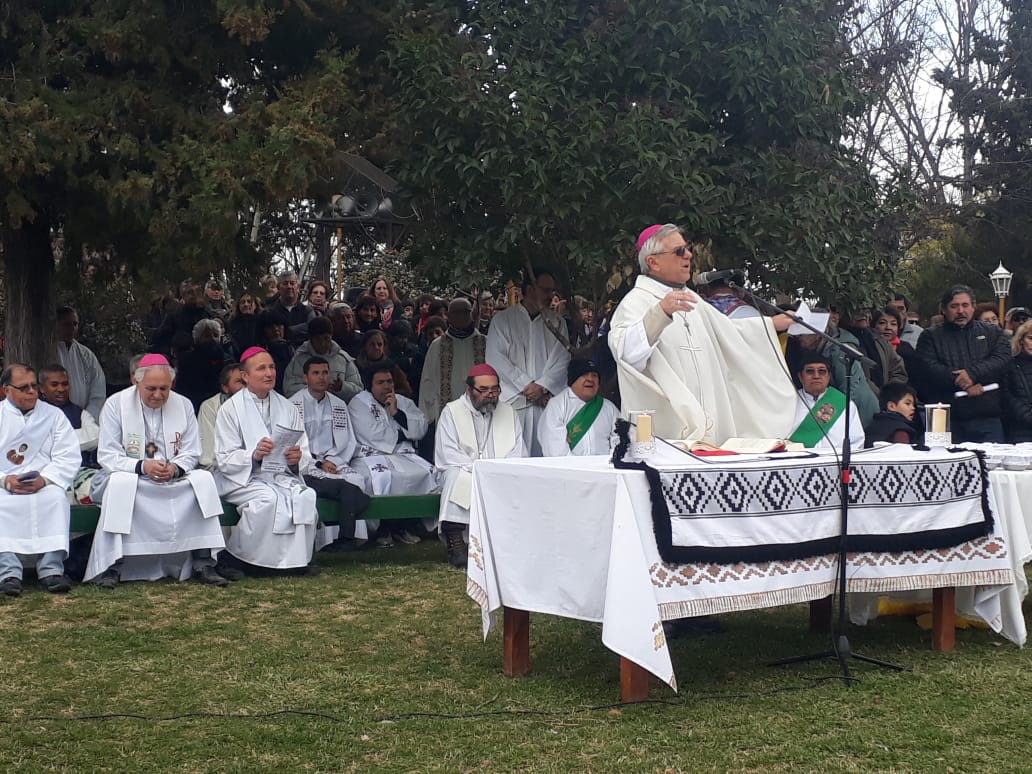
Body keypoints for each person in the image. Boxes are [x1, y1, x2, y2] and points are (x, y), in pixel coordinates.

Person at [608, 224, 797, 444]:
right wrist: (660, 314)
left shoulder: (693, 300)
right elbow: (626, 354)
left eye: (687, 249)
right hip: (664, 436)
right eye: (679, 251)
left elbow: (729, 333)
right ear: (653, 262)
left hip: (711, 432)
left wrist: (772, 324)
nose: (688, 255)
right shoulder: (636, 302)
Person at [85, 355, 229, 588]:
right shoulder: (115, 404)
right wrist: (142, 466)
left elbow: (192, 451)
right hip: (131, 475)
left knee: (203, 479)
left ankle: (203, 562)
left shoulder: (182, 404)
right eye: (151, 388)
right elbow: (107, 454)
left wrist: (175, 469)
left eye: (165, 388)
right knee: (121, 485)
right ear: (135, 381)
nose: (158, 395)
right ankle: (113, 565)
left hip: (170, 476)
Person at [214, 347, 319, 575]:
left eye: (271, 367)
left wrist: (295, 459)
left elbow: (303, 449)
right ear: (245, 375)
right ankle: (238, 558)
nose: (269, 373)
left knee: (305, 495)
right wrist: (254, 455)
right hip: (244, 478)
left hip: (281, 475)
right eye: (261, 368)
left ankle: (296, 561)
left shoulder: (287, 406)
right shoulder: (230, 410)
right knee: (268, 500)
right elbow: (225, 457)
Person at [0, 364, 81, 596]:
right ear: (7, 390)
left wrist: (44, 480)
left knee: (56, 499)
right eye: (24, 387)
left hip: (43, 482)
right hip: (4, 485)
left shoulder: (53, 415)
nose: (32, 392)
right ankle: (8, 573)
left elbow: (68, 455)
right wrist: (6, 480)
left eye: (34, 386)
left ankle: (51, 570)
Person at [434, 364, 525, 567]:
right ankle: (456, 541)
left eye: (495, 390)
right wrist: (479, 469)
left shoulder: (509, 412)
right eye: (483, 390)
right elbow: (447, 453)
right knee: (456, 477)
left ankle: (506, 543)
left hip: (498, 472)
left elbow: (518, 451)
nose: (490, 395)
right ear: (469, 390)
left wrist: (493, 470)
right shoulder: (452, 412)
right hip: (462, 468)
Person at [486, 268, 571, 455]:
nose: (550, 296)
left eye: (552, 291)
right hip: (514, 403)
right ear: (530, 289)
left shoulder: (557, 322)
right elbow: (496, 359)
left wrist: (543, 386)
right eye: (545, 290)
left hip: (546, 402)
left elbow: (562, 358)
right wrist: (526, 385)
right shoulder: (503, 321)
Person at [349, 363, 436, 546]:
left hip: (403, 454)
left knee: (428, 472)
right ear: (370, 386)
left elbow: (420, 427)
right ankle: (383, 528)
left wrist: (396, 413)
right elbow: (372, 435)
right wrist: (404, 433)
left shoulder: (402, 401)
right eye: (380, 382)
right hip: (370, 456)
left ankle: (406, 525)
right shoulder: (359, 403)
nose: (387, 386)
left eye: (389, 382)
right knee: (380, 478)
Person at [290, 357, 370, 547]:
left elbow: (348, 440)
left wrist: (333, 460)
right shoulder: (292, 405)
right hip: (306, 464)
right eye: (316, 373)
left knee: (356, 480)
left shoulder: (339, 405)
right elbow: (293, 443)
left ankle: (347, 537)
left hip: (335, 461)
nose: (321, 378)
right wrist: (318, 463)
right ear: (305, 378)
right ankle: (324, 540)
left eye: (325, 372)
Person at [915, 285, 1011, 443]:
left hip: (987, 417)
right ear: (944, 310)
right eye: (954, 306)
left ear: (973, 307)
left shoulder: (992, 332)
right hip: (946, 418)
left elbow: (1002, 359)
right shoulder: (930, 336)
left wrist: (973, 375)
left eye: (965, 305)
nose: (960, 311)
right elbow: (927, 368)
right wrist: (961, 382)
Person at [418, 298, 487, 424]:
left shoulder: (485, 343)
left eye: (465, 312)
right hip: (447, 414)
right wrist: (431, 412)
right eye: (456, 312)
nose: (461, 316)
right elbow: (427, 381)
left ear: (471, 314)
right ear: (448, 316)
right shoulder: (437, 346)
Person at [538, 359, 620, 456]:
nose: (590, 379)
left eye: (594, 375)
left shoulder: (609, 408)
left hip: (603, 468)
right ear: (573, 379)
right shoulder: (557, 406)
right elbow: (555, 451)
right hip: (569, 469)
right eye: (584, 374)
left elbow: (619, 441)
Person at [789, 352, 865, 452]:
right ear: (800, 376)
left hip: (834, 462)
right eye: (810, 371)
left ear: (828, 376)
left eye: (822, 371)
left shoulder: (845, 404)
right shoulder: (789, 402)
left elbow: (856, 442)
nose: (816, 376)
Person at [282, 316, 362, 402]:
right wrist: (316, 389)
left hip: (338, 410)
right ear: (311, 339)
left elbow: (359, 391)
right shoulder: (299, 359)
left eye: (326, 338)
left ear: (331, 337)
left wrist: (341, 387)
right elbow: (289, 389)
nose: (322, 343)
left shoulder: (343, 358)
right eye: (318, 339)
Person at [38, 363, 100, 468]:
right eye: (54, 385)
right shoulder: (33, 413)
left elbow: (95, 437)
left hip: (79, 471)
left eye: (65, 384)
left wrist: (53, 441)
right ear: (42, 388)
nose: (61, 389)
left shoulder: (81, 413)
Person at [55, 306, 107, 421]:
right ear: (56, 324)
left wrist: (88, 418)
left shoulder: (86, 355)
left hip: (83, 420)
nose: (72, 328)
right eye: (67, 324)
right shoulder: (47, 351)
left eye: (75, 324)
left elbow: (98, 390)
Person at [198, 362, 246, 470]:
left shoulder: (257, 404)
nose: (245, 387)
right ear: (225, 388)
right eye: (240, 382)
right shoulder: (210, 407)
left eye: (246, 381)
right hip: (218, 468)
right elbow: (208, 455)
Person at [264, 271, 316, 344]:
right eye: (285, 283)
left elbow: (314, 331)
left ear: (298, 288)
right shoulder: (270, 311)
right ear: (278, 288)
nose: (289, 286)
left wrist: (291, 330)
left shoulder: (308, 311)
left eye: (292, 283)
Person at [865, 382, 921, 447]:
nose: (913, 408)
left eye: (913, 404)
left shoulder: (870, 427)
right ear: (891, 406)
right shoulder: (901, 431)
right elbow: (903, 453)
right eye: (907, 403)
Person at [1005, 320, 1032, 443]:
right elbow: (1007, 396)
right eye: (1031, 338)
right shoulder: (1010, 365)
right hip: (1020, 431)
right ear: (1021, 340)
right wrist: (1027, 416)